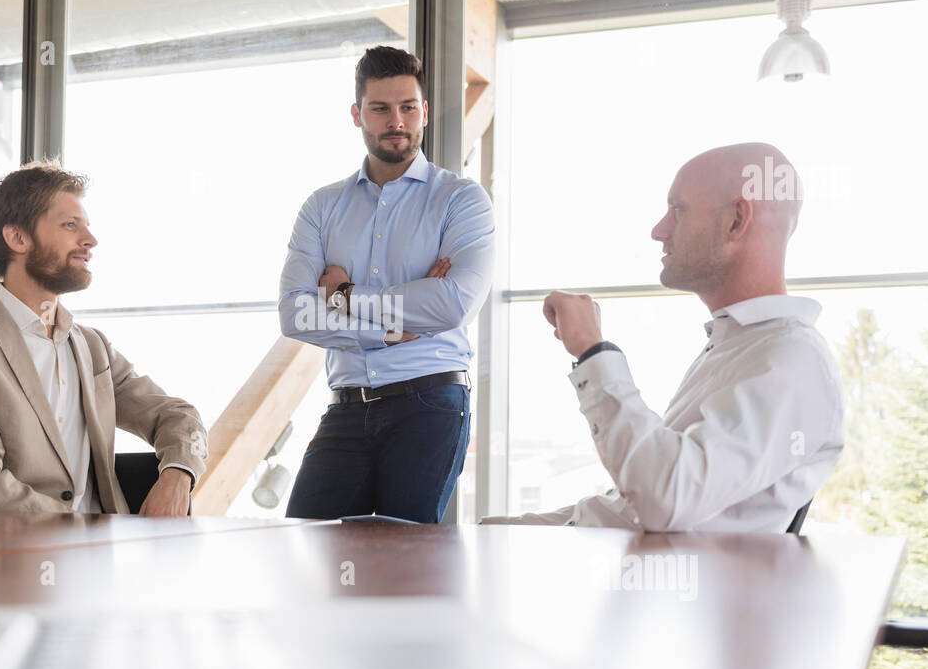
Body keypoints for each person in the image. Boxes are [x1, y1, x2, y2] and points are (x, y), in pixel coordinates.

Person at [484, 143, 843, 533]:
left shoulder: (791, 360)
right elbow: (630, 506)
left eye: (678, 210)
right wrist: (490, 532)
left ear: (737, 220)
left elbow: (666, 498)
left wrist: (593, 351)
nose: (659, 231)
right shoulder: (740, 347)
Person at [0, 163, 207, 515]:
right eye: (70, 225)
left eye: (87, 227)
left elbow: (177, 415)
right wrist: (91, 534)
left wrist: (177, 475)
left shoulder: (92, 347)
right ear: (18, 238)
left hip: (101, 557)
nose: (90, 240)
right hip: (2, 558)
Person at [278, 46, 495, 523]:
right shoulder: (322, 206)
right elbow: (295, 313)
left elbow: (451, 304)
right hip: (347, 406)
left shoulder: (461, 200)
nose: (396, 120)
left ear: (423, 113)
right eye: (380, 108)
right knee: (304, 545)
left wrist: (342, 296)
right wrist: (394, 327)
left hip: (430, 402)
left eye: (407, 107)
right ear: (358, 115)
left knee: (405, 569)